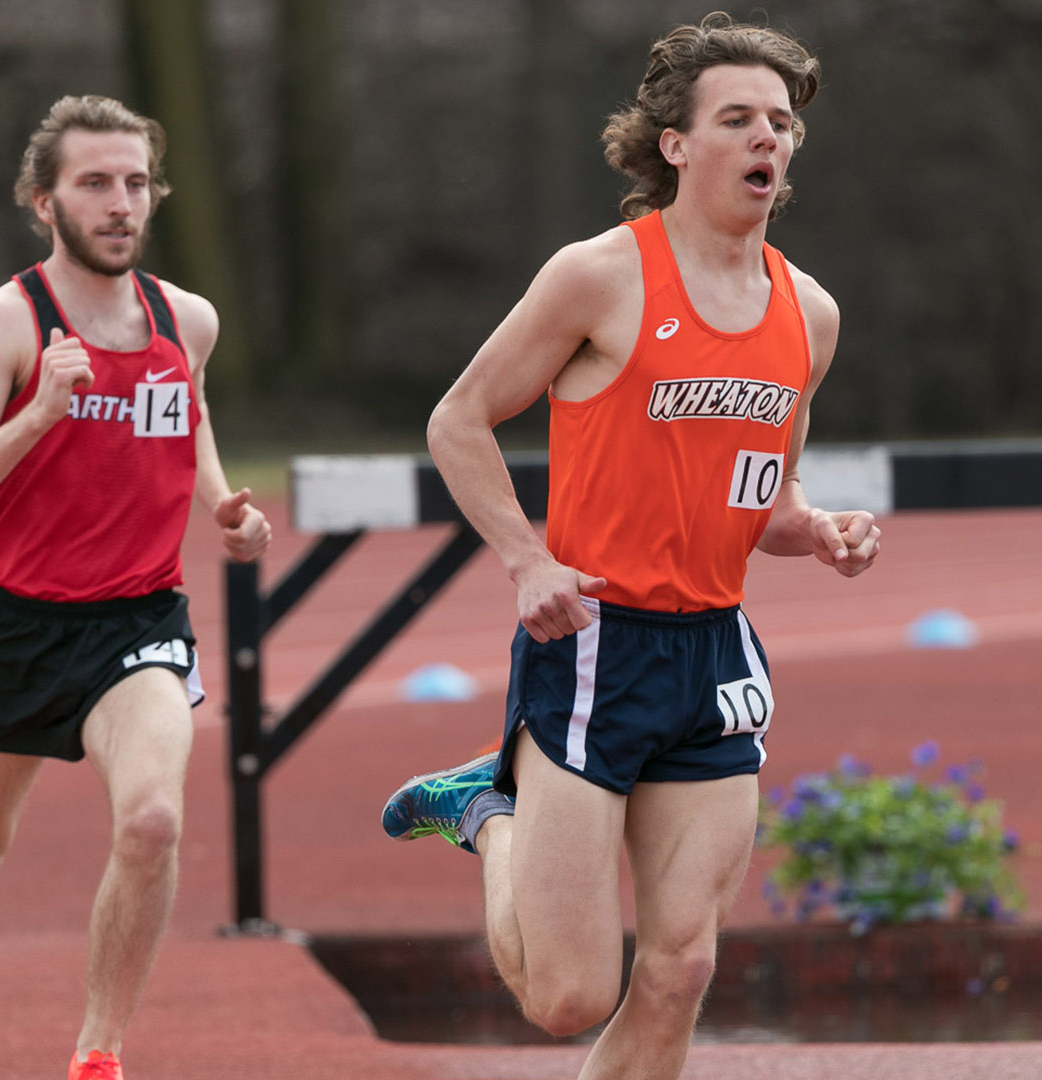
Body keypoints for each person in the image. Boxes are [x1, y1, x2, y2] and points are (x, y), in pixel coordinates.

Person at [379, 13, 878, 1080]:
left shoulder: (812, 313)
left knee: (682, 969)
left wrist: (821, 529)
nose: (767, 140)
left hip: (713, 654)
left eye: (781, 123)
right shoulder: (601, 277)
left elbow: (770, 496)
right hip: (596, 646)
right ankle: (485, 813)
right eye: (737, 118)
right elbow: (459, 420)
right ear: (676, 145)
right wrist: (526, 559)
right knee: (568, 998)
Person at [0, 95, 270, 1080]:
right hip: (15, 627)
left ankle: (99, 1055)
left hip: (139, 619)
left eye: (135, 182)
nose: (120, 202)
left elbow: (190, 409)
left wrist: (223, 505)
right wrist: (41, 412)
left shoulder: (188, 317)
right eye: (95, 183)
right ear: (44, 201)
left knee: (153, 819)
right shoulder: (5, 325)